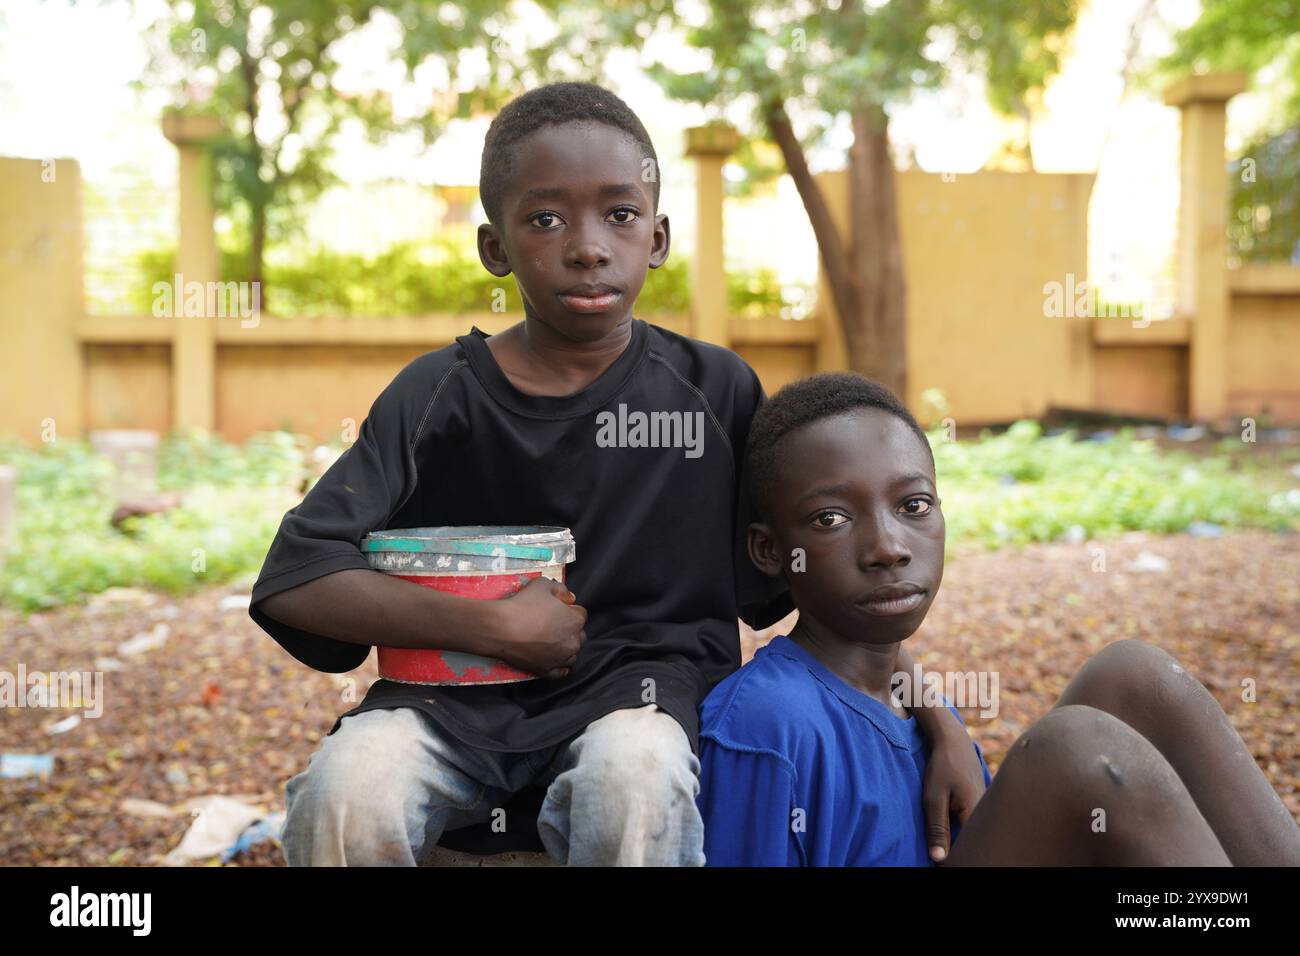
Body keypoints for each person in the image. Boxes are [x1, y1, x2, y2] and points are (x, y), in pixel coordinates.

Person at [247, 83, 984, 866]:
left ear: (658, 237)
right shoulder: (440, 396)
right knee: (347, 786)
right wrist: (489, 625)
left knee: (634, 775)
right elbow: (298, 577)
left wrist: (932, 712)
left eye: (620, 214)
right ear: (496, 247)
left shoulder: (715, 393)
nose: (588, 245)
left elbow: (837, 589)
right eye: (545, 219)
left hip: (641, 703)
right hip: (449, 706)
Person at [697, 371, 1300, 866]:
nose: (888, 546)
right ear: (769, 550)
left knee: (1137, 676)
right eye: (831, 518)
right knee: (1075, 751)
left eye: (914, 506)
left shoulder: (918, 707)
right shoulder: (764, 726)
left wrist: (942, 722)